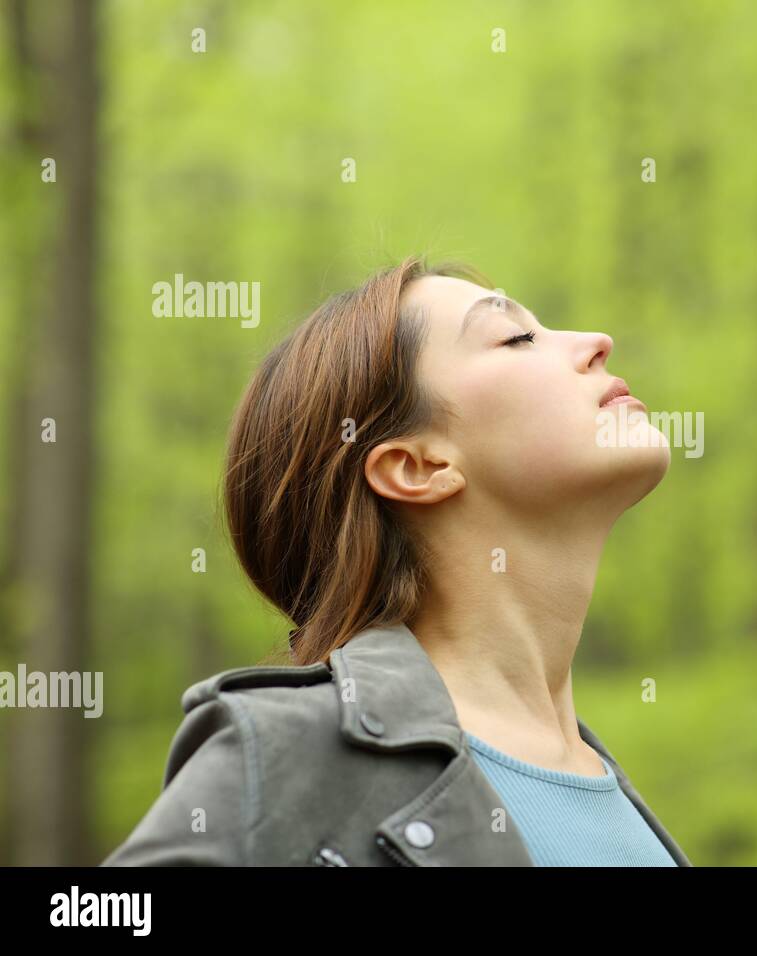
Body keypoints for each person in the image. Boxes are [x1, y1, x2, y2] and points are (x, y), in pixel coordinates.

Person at [101, 256, 690, 866]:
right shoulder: (285, 755)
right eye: (516, 337)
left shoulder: (624, 813)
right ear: (417, 466)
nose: (597, 342)